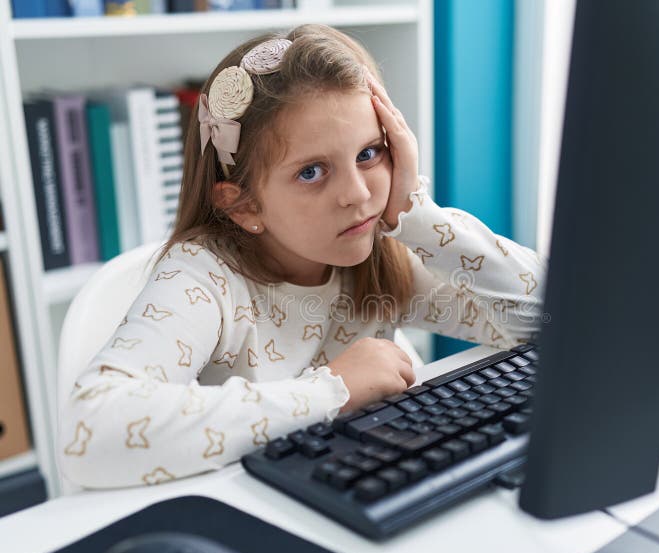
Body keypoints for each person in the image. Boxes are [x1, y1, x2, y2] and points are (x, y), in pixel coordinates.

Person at [58, 24, 547, 489]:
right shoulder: (203, 277)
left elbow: (554, 320)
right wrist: (331, 391)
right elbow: (91, 429)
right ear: (244, 204)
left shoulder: (382, 251)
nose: (357, 195)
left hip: (348, 495)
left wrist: (414, 213)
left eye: (368, 154)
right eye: (312, 172)